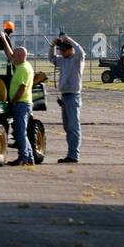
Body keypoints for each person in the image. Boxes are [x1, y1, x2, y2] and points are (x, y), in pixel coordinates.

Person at [0, 33, 38, 166]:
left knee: (20, 133)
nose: (13, 57)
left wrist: (13, 101)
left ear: (20, 56)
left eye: (15, 55)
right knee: (22, 133)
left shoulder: (23, 69)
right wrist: (4, 40)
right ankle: (29, 157)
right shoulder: (22, 65)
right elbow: (10, 55)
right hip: (23, 104)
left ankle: (23, 158)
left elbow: (22, 88)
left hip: (21, 104)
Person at [49, 32, 83, 163]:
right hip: (64, 97)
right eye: (60, 50)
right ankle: (70, 153)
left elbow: (81, 51)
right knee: (67, 127)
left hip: (73, 96)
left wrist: (70, 39)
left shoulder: (77, 60)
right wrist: (52, 45)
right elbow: (51, 58)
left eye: (63, 50)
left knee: (74, 127)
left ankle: (74, 155)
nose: (61, 53)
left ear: (70, 50)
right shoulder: (62, 60)